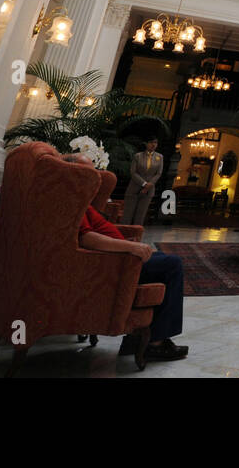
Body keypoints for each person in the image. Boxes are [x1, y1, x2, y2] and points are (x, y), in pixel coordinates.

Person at [68, 154, 188, 363]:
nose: (96, 177)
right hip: (114, 262)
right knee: (172, 265)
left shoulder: (77, 197)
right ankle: (155, 343)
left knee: (163, 260)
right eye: (89, 172)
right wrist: (132, 247)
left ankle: (139, 336)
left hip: (119, 257)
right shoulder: (70, 199)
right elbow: (86, 238)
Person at [123, 137, 163, 225]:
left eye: (155, 143)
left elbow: (158, 173)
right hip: (134, 188)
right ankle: (122, 236)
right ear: (146, 143)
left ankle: (136, 236)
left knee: (140, 215)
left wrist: (149, 185)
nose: (153, 145)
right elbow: (133, 172)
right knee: (127, 214)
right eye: (151, 142)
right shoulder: (138, 156)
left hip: (149, 190)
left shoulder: (160, 157)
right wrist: (144, 184)